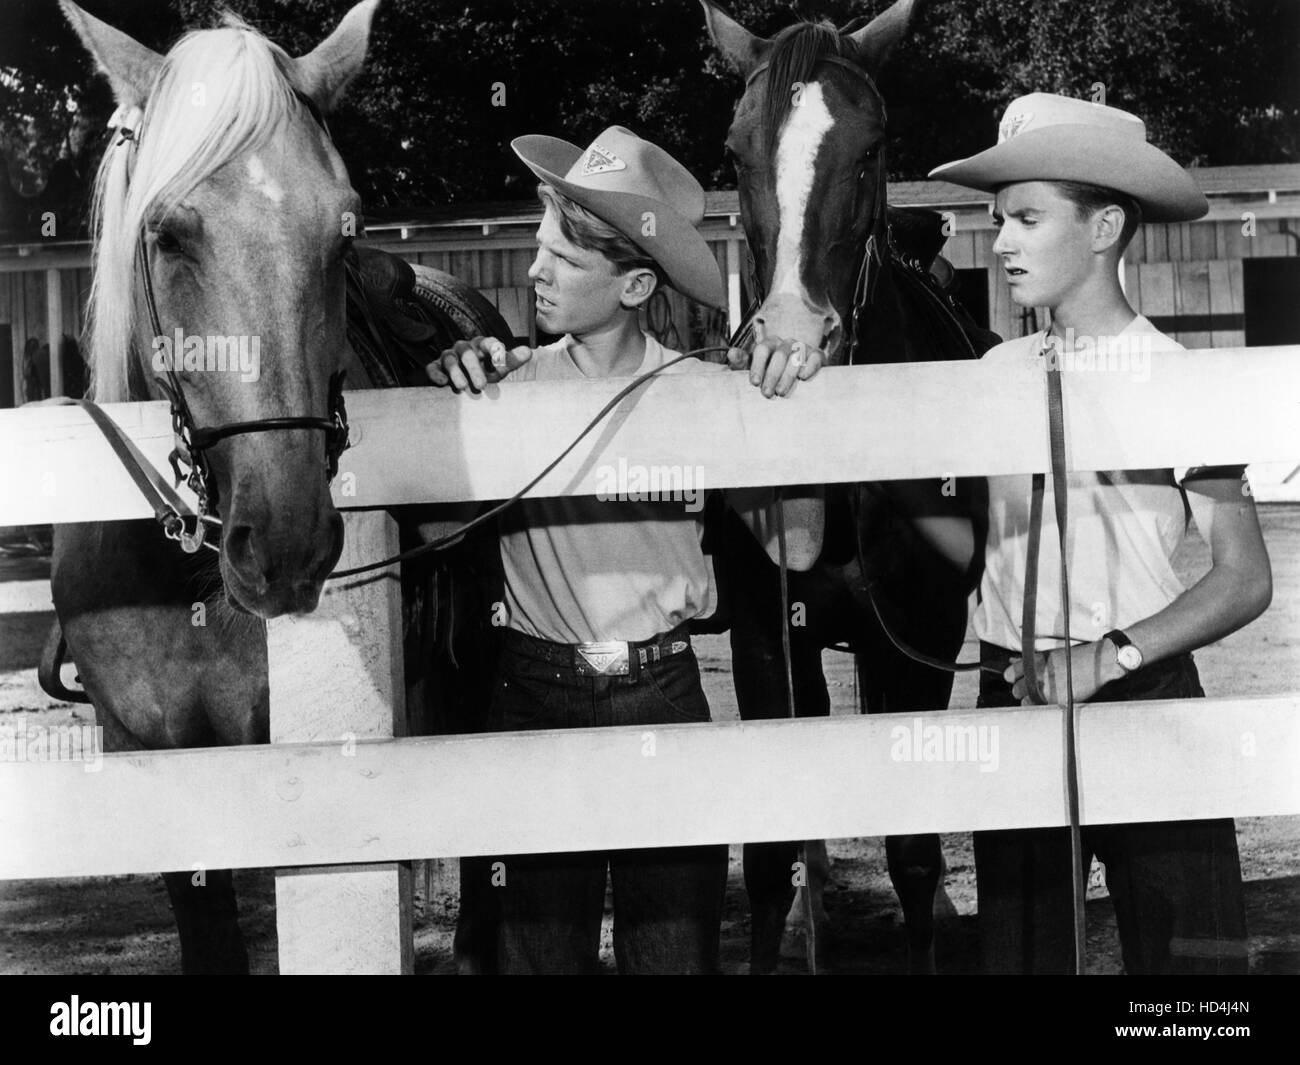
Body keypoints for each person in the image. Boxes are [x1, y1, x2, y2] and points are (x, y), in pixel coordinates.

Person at [427, 125, 823, 974]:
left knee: (673, 954)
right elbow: (426, 533)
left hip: (661, 691)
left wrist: (780, 415)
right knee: (538, 955)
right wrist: (440, 404)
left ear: (636, 282)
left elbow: (800, 545)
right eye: (539, 252)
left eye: (563, 262)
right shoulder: (502, 391)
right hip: (532, 690)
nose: (534, 273)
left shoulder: (703, 395)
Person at [922, 93, 1273, 974]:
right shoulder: (993, 374)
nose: (997, 242)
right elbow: (968, 550)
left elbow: (1243, 577)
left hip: (1143, 692)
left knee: (1192, 983)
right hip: (1015, 696)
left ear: (1106, 224)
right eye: (999, 220)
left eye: (1027, 219)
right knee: (1023, 958)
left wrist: (1110, 654)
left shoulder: (1179, 379)